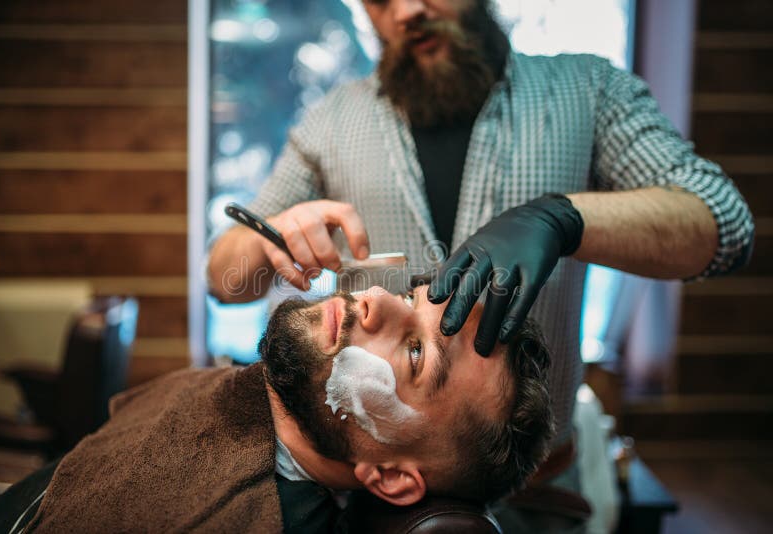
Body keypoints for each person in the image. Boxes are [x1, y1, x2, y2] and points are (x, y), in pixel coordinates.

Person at [207, 0, 754, 529]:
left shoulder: (588, 92)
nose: (405, 11)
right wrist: (268, 243)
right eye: (378, 0)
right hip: (370, 505)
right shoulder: (332, 123)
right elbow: (223, 279)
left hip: (542, 496)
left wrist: (562, 219)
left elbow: (723, 221)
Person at [0, 285, 554, 533]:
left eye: (415, 350)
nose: (374, 299)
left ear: (394, 478)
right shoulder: (242, 397)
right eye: (409, 298)